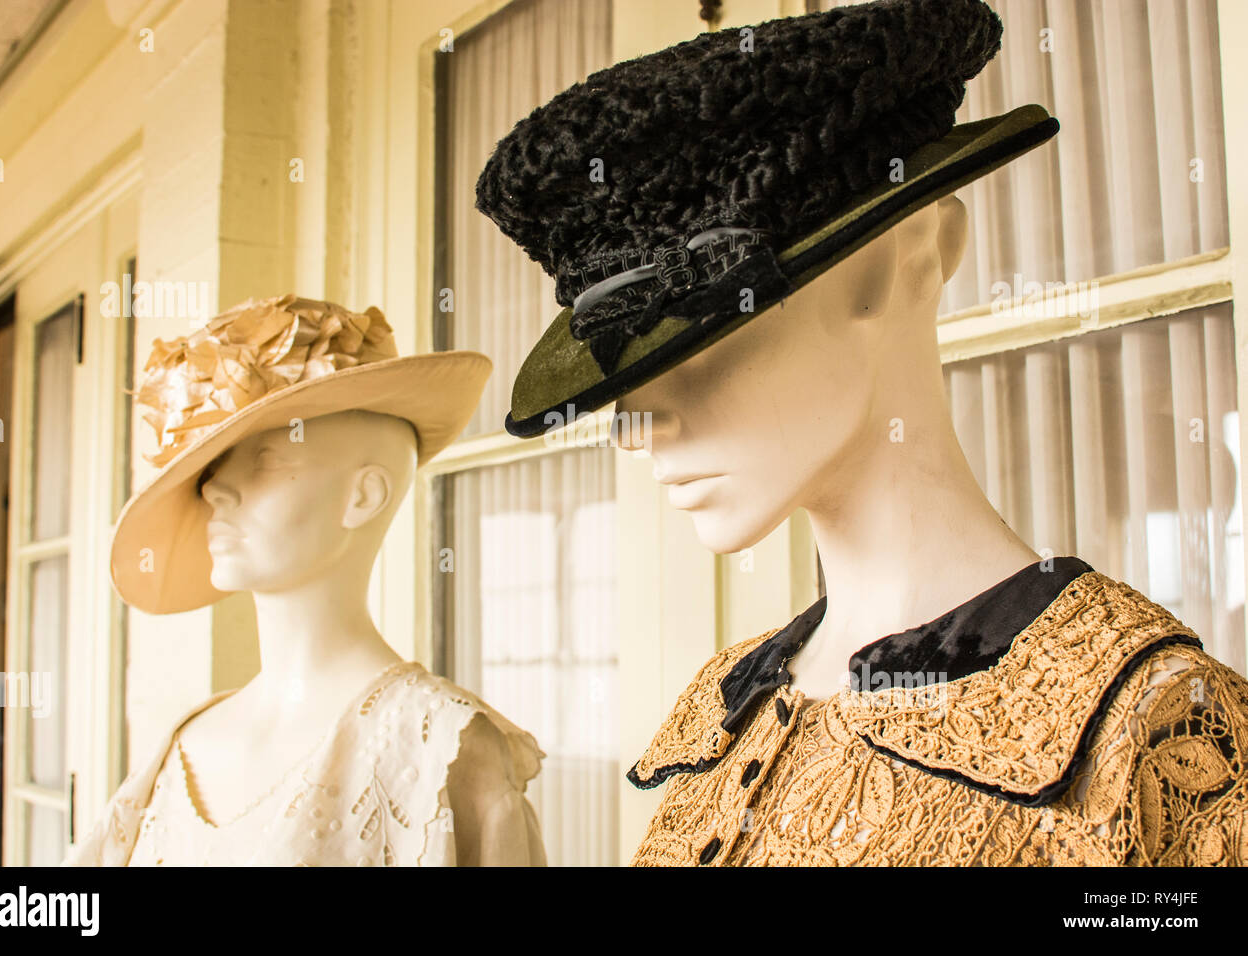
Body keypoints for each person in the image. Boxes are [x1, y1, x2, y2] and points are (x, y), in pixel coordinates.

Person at [475, 0, 1248, 865]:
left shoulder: (1156, 736)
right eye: (622, 373)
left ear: (902, 266)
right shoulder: (721, 711)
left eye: (696, 344)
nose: (640, 425)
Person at [64, 294, 546, 866]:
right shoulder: (181, 748)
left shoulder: (441, 754)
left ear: (363, 496)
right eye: (215, 466)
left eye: (265, 462)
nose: (215, 490)